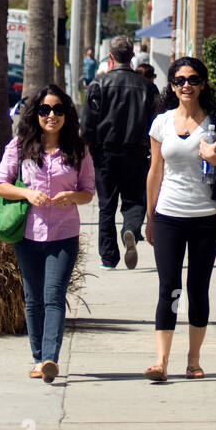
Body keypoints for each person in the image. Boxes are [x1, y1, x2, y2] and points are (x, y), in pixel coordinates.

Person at [144, 55, 216, 381]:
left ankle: (194, 360)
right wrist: (149, 216)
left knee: (197, 287)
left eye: (192, 79)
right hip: (168, 216)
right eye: (179, 80)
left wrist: (214, 157)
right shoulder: (161, 123)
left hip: (206, 217)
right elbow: (154, 172)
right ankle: (161, 361)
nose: (185, 85)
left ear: (202, 84)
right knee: (169, 288)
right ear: (172, 86)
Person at [0, 85, 94, 382]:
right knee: (33, 297)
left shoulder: (78, 149)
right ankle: (37, 358)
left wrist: (71, 197)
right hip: (27, 235)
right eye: (45, 110)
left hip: (63, 233)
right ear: (36, 113)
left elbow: (88, 192)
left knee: (54, 295)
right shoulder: (19, 146)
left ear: (67, 114)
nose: (52, 115)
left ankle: (50, 358)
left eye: (58, 110)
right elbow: (0, 184)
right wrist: (27, 194)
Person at [82, 34, 159, 271]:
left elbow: (87, 125)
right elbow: (156, 123)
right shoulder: (148, 87)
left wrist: (91, 150)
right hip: (136, 153)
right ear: (132, 56)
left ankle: (108, 257)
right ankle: (130, 230)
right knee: (134, 200)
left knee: (106, 206)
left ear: (110, 57)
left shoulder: (98, 85)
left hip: (106, 154)